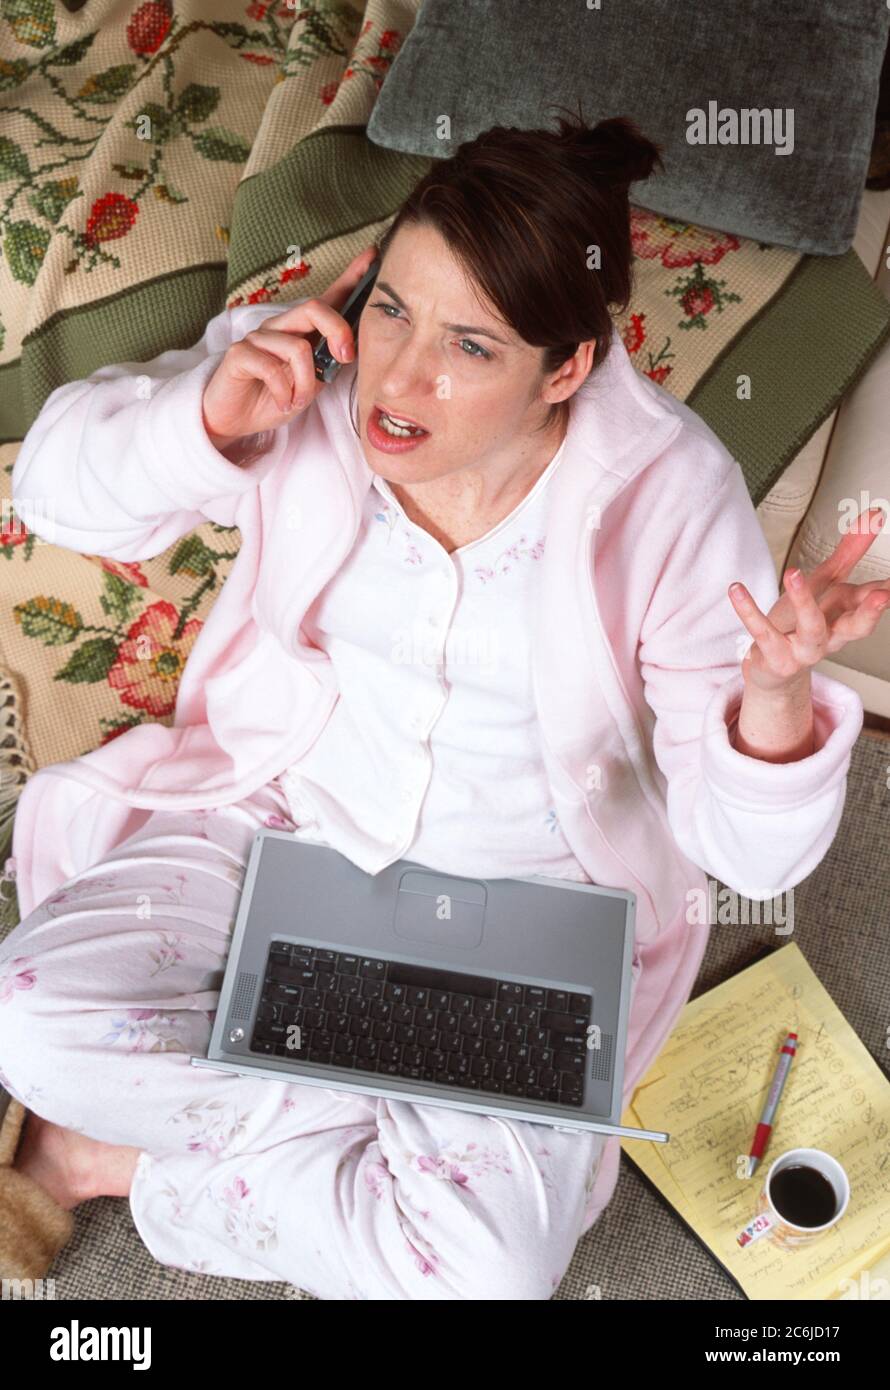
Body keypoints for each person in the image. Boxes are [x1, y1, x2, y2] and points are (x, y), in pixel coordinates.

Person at [0, 111, 885, 1300]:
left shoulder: (670, 495)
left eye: (470, 347)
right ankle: (384, 1125)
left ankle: (132, 1165)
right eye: (393, 309)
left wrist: (772, 698)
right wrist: (205, 416)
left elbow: (748, 849)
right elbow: (59, 493)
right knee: (29, 1026)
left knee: (487, 1279)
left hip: (521, 908)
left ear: (564, 369)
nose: (401, 376)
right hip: (276, 830)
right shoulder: (307, 373)